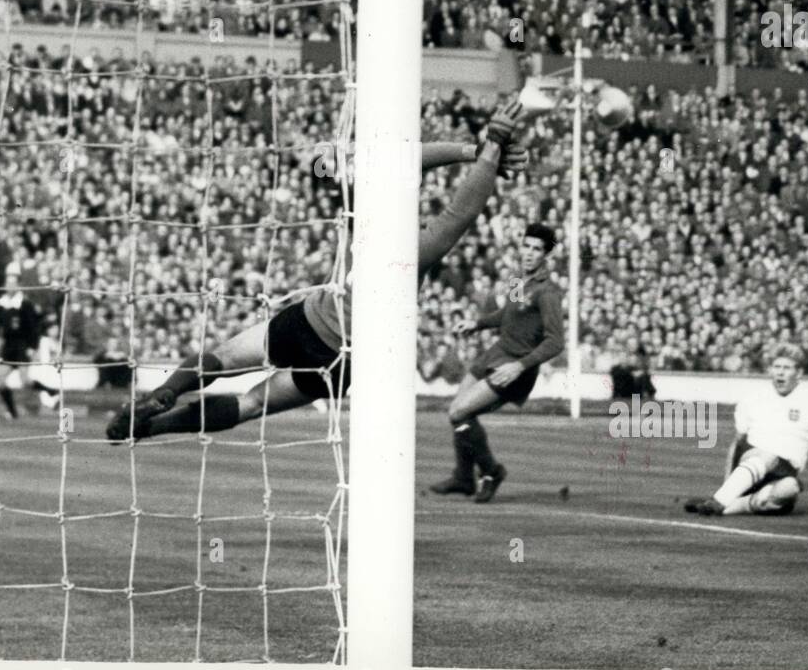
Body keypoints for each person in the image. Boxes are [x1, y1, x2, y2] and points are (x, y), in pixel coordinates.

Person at [105, 98, 529, 443]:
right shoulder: (413, 250)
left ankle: (166, 392)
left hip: (306, 317)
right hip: (339, 356)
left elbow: (413, 160)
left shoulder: (359, 214)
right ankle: (153, 428)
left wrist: (475, 150)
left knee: (225, 356)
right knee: (251, 405)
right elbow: (462, 212)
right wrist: (491, 148)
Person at [429, 222, 565, 503]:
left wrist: (519, 366)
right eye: (526, 246)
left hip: (514, 366)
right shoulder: (518, 280)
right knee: (460, 413)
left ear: (546, 255)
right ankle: (464, 477)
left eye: (536, 249)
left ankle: (491, 471)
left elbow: (555, 342)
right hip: (495, 353)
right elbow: (508, 315)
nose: (529, 253)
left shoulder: (547, 292)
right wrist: (477, 324)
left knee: (459, 412)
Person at [685, 344, 808, 517]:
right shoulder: (753, 398)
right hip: (751, 459)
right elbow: (737, 443)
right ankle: (720, 500)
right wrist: (726, 483)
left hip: (784, 471)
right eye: (777, 367)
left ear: (799, 373)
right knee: (768, 457)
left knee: (791, 487)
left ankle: (729, 505)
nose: (780, 372)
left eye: (787, 368)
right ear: (770, 370)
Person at [0, 264, 44, 420]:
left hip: (22, 345)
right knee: (1, 379)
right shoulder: (1, 305)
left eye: (13, 284)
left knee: (25, 381)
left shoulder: (25, 304)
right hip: (8, 346)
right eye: (8, 284)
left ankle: (50, 392)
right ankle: (12, 412)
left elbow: (34, 328)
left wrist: (33, 347)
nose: (10, 286)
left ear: (18, 286)